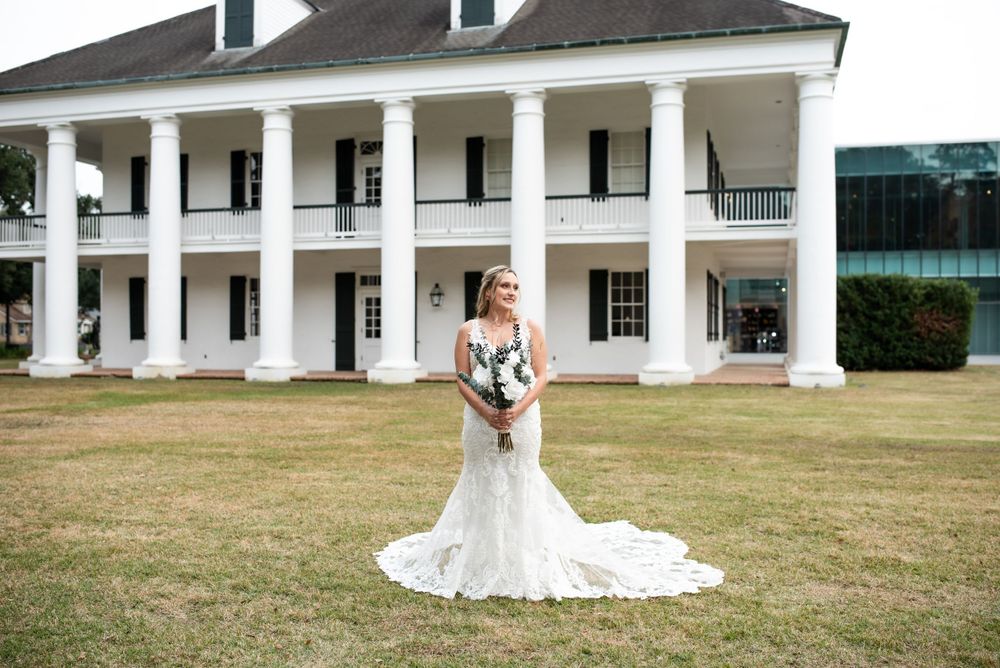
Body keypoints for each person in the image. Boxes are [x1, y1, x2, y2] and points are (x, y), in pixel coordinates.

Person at [376, 265, 724, 600]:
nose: (512, 293)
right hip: (480, 424)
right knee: (480, 479)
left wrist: (515, 410)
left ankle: (523, 557)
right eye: (505, 286)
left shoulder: (530, 330)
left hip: (523, 420)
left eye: (515, 287)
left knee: (522, 479)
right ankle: (482, 558)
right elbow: (462, 377)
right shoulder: (468, 331)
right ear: (489, 291)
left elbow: (541, 376)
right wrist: (486, 411)